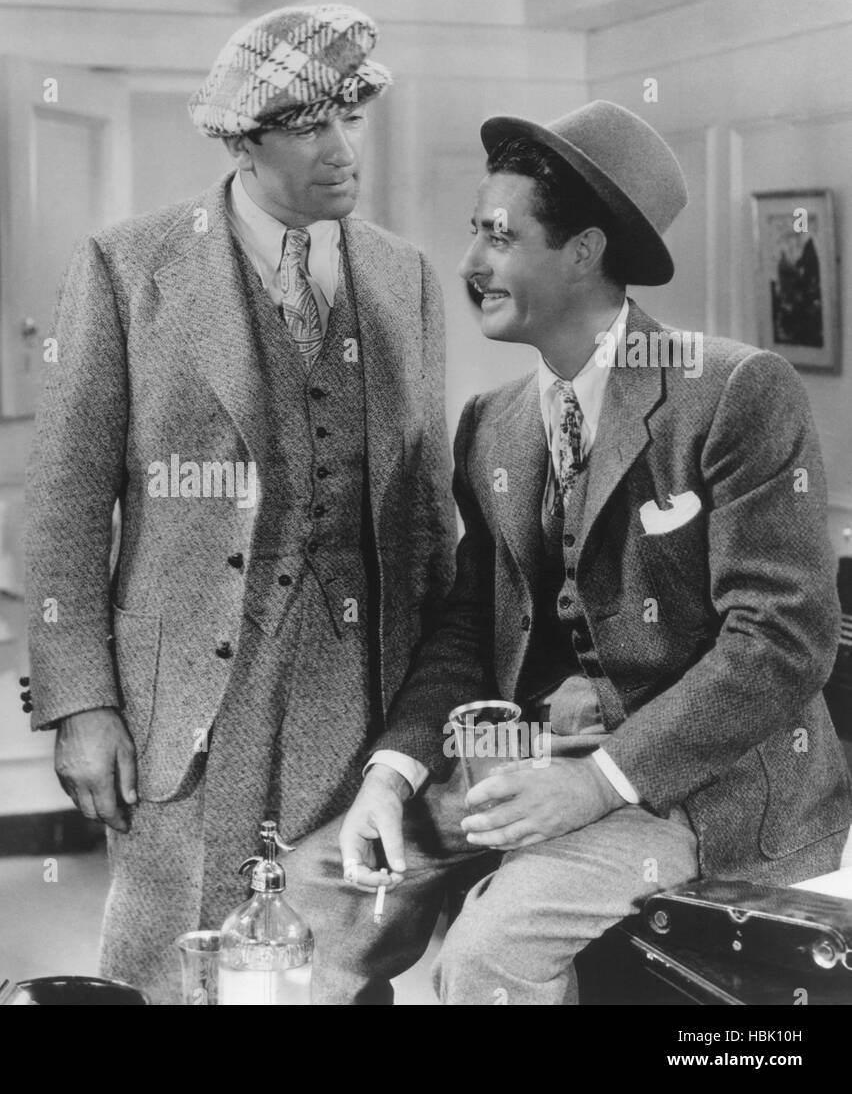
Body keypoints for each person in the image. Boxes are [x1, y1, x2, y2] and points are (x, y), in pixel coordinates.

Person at [285, 100, 852, 1004]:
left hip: (704, 789)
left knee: (487, 955)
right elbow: (471, 628)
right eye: (475, 233)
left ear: (584, 252)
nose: (469, 264)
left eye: (499, 238)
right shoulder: (495, 423)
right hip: (536, 762)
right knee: (313, 897)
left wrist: (599, 781)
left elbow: (781, 642)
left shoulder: (735, 393)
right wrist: (393, 774)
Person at [24, 4, 455, 1002]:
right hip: (189, 699)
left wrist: (429, 725)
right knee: (176, 961)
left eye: (352, 115)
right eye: (312, 125)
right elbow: (67, 498)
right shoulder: (131, 266)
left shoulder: (406, 280)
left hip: (359, 694)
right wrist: (81, 703)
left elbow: (429, 515)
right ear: (243, 137)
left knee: (337, 960)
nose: (343, 149)